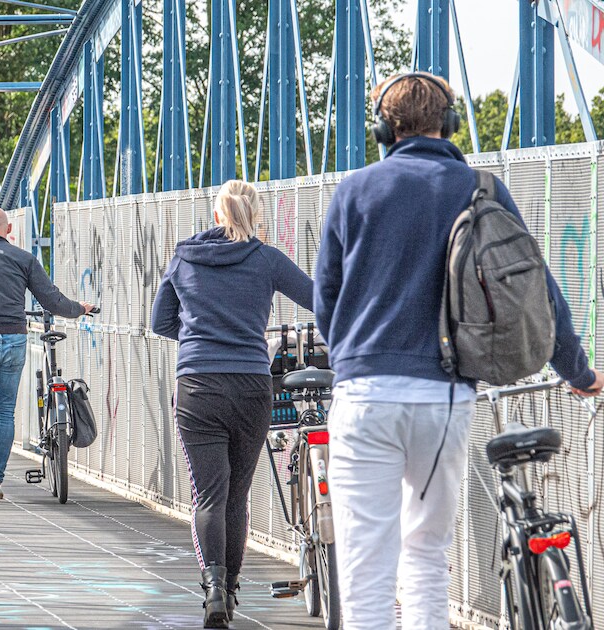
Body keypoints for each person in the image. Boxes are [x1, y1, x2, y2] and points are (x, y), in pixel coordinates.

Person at [314, 72, 604, 629]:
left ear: (384, 129)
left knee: (366, 565)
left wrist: (354, 357)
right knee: (426, 553)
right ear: (448, 125)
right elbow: (535, 288)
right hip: (444, 398)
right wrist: (578, 369)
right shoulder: (482, 188)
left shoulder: (354, 190)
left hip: (365, 396)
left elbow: (326, 301)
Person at [150, 182, 313, 628]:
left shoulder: (185, 257)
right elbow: (320, 300)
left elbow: (159, 321)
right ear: (256, 214)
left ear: (216, 213)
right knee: (236, 496)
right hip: (250, 386)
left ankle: (214, 590)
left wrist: (200, 338)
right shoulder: (266, 258)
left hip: (198, 385)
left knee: (208, 495)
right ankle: (232, 588)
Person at [0, 207, 93, 500]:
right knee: (5, 411)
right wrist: (78, 309)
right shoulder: (24, 258)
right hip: (14, 340)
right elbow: (51, 298)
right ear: (9, 230)